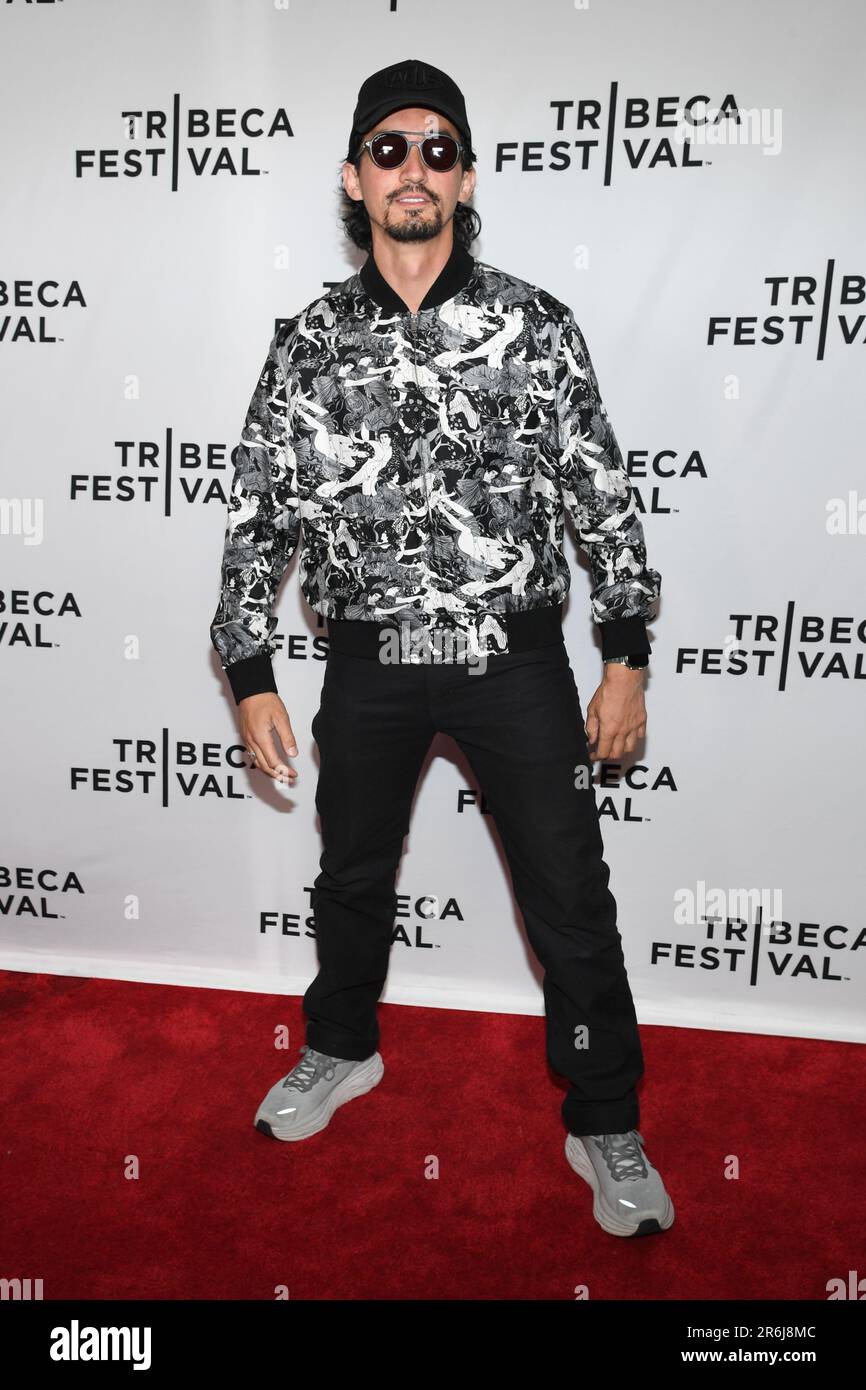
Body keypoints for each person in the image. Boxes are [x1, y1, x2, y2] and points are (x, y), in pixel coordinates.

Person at [209, 59, 673, 1237]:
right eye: (387, 147)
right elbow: (260, 511)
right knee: (351, 876)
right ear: (354, 178)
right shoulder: (308, 341)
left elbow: (601, 497)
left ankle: (602, 1115)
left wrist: (623, 653)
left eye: (436, 147)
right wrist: (249, 663)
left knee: (569, 893)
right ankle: (340, 1046)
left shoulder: (532, 323)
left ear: (465, 175)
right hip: (365, 660)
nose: (411, 168)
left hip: (514, 659)